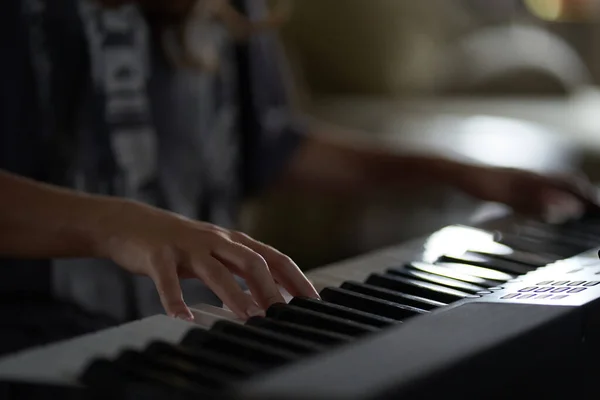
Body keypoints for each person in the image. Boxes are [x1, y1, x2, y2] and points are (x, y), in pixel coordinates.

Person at [0, 0, 597, 354]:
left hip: (188, 333)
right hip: (35, 336)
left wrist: (461, 174)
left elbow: (273, 148)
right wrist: (109, 224)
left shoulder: (227, 10)